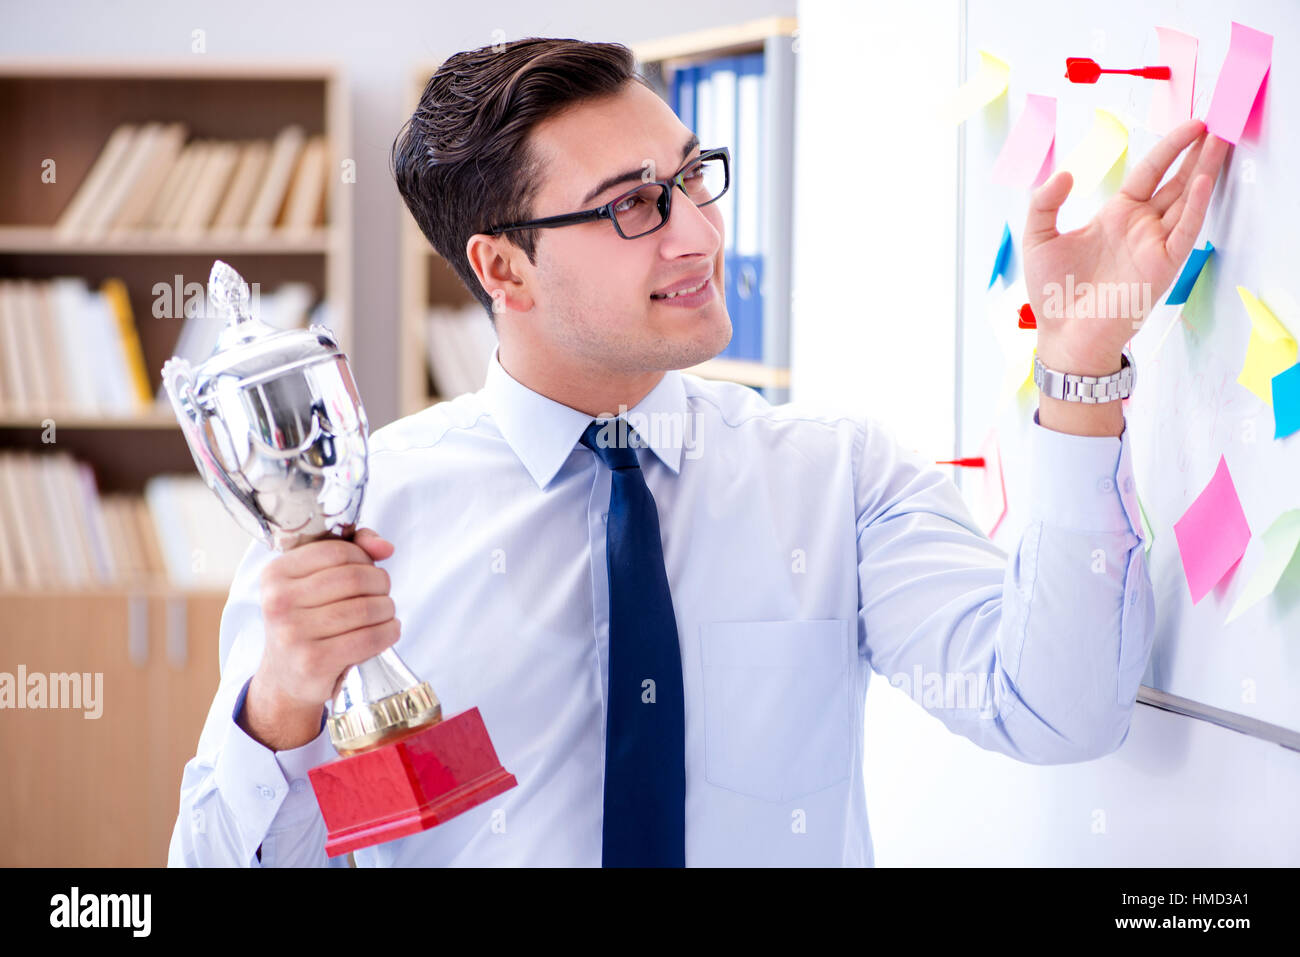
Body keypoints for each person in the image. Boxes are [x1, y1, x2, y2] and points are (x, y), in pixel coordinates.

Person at [168, 36, 1227, 867]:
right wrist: (280, 706)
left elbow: (1056, 711)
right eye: (634, 204)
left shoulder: (833, 478)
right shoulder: (361, 522)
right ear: (504, 266)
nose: (699, 235)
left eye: (692, 178)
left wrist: (1078, 368)